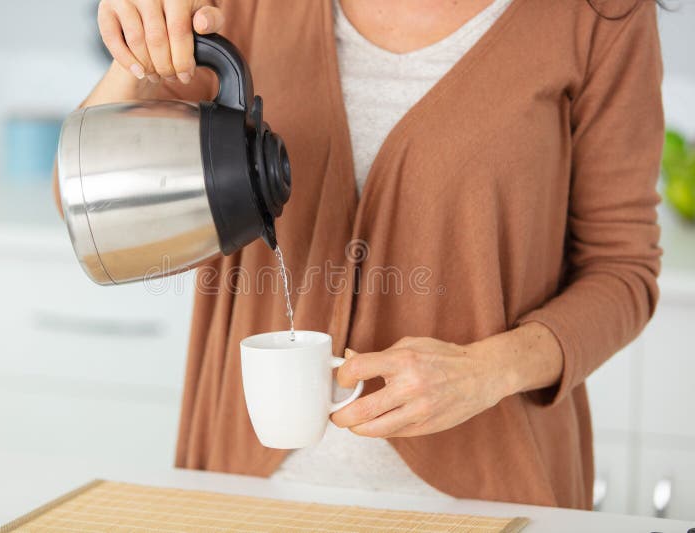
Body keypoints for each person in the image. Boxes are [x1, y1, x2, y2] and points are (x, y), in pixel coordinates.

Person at [53, 0, 664, 509]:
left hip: (487, 499)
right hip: (246, 494)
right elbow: (83, 205)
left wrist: (486, 371)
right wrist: (137, 53)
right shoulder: (240, 7)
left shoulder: (598, 17)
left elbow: (622, 269)